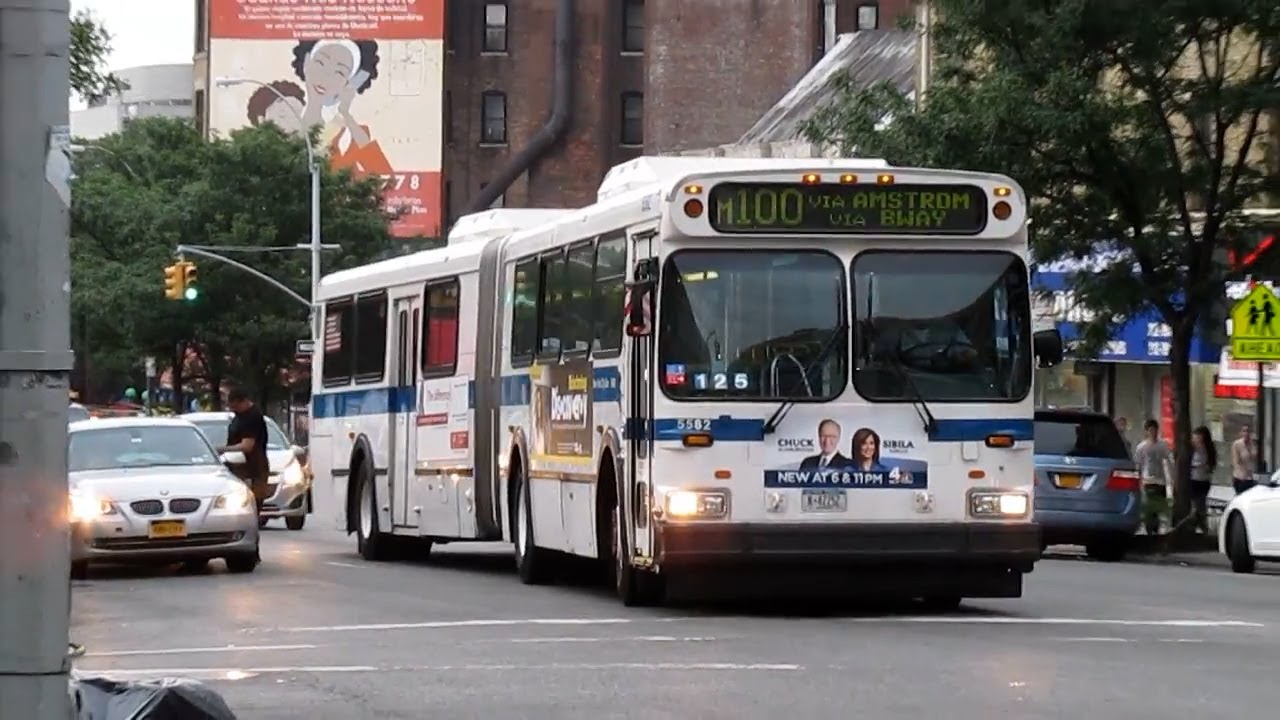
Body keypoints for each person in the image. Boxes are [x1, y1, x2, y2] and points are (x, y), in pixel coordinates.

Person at [219, 386, 271, 516]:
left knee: (249, 506)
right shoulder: (239, 416)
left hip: (252, 469)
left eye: (235, 406)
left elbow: (247, 446)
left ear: (243, 401)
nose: (233, 409)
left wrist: (222, 449)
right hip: (238, 467)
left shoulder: (252, 417)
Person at [1133, 419, 1173, 534]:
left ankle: (1156, 529)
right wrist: (1138, 481)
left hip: (1160, 481)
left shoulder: (1162, 445)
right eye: (1150, 430)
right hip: (1147, 481)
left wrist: (1170, 479)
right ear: (1146, 432)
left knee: (1159, 507)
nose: (1153, 433)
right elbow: (1138, 465)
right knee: (1149, 508)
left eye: (1154, 430)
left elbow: (1168, 461)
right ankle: (1149, 529)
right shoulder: (1141, 447)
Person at [1189, 426, 1217, 534]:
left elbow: (1212, 463)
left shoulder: (1208, 448)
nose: (1197, 439)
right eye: (1196, 436)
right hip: (1193, 479)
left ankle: (1202, 526)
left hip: (1204, 480)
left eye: (1199, 436)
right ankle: (1197, 526)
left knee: (1202, 504)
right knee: (1195, 505)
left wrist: (1208, 467)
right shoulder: (1191, 448)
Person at [1230, 423, 1257, 494]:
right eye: (1244, 431)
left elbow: (1254, 457)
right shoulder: (1237, 444)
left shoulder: (1252, 444)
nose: (1246, 433)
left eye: (1248, 431)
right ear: (1241, 433)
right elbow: (1236, 461)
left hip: (1250, 477)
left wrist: (1249, 446)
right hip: (1240, 477)